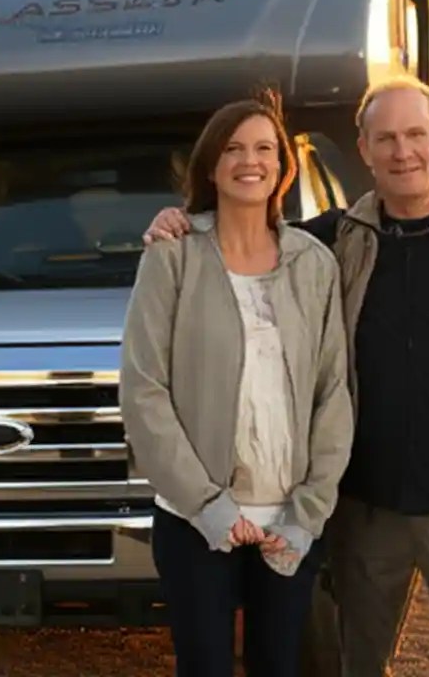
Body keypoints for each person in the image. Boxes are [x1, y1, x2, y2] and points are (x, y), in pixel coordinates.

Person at [141, 74, 429, 677]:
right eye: (386, 138)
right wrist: (180, 221)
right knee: (350, 665)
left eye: (417, 134)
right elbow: (252, 233)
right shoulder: (331, 239)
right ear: (364, 150)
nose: (404, 151)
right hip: (367, 511)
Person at [119, 91, 355, 677]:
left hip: (288, 523)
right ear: (211, 165)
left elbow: (334, 394)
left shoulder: (314, 262)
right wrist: (209, 507)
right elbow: (144, 390)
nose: (250, 161)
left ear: (282, 164)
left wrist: (307, 513)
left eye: (264, 149)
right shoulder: (172, 257)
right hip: (196, 521)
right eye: (234, 148)